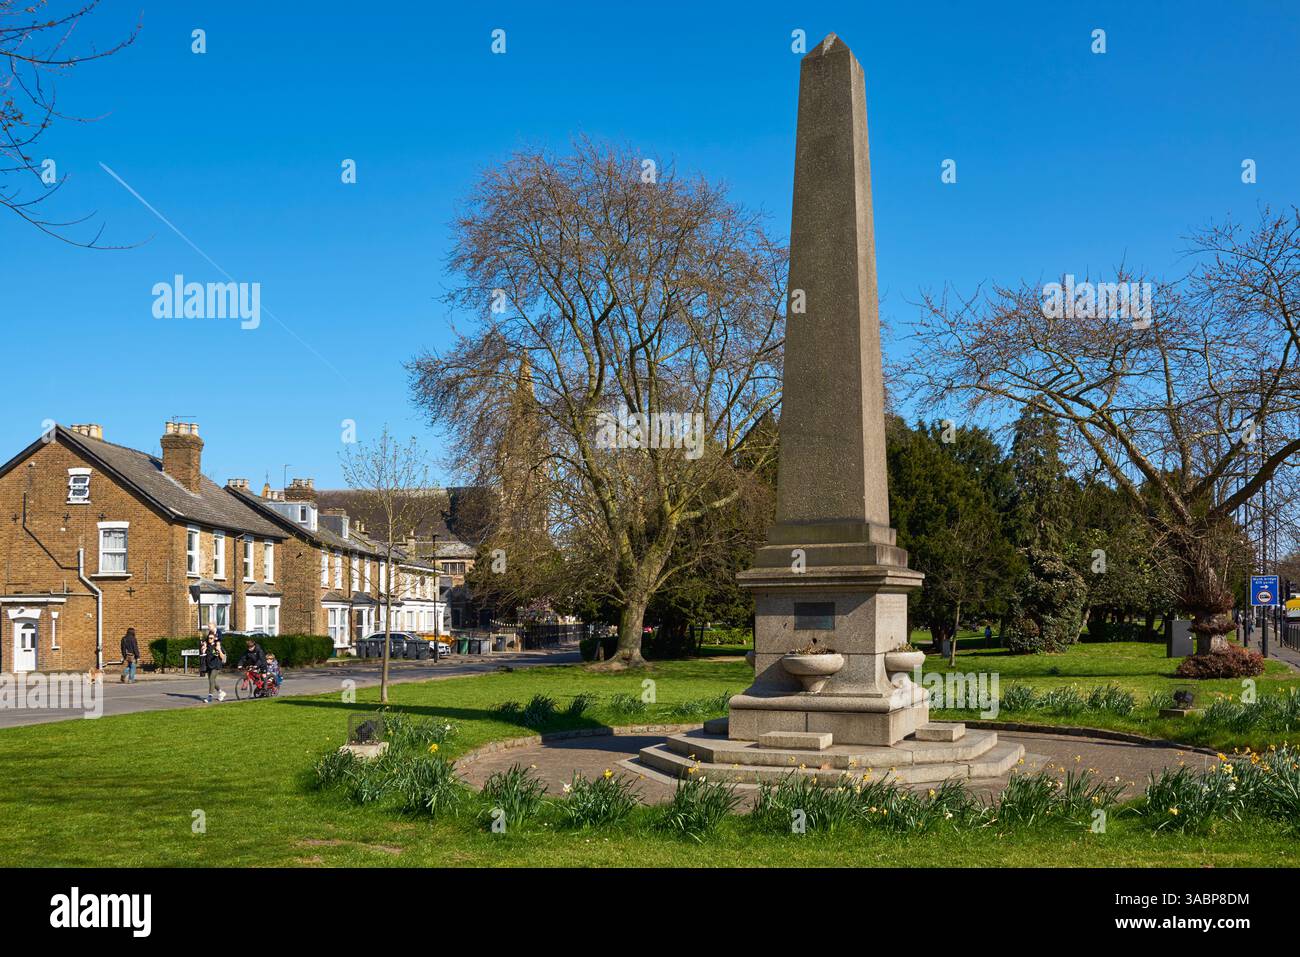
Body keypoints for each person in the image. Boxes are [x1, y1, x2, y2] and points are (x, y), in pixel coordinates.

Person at [201, 626, 226, 703]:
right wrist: (203, 651)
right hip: (209, 665)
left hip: (216, 666)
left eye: (211, 638)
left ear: (215, 638)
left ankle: (210, 697)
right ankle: (221, 692)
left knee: (211, 679)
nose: (209, 640)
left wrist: (218, 651)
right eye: (209, 638)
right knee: (212, 681)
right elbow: (204, 656)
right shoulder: (207, 646)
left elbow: (222, 657)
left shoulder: (216, 646)